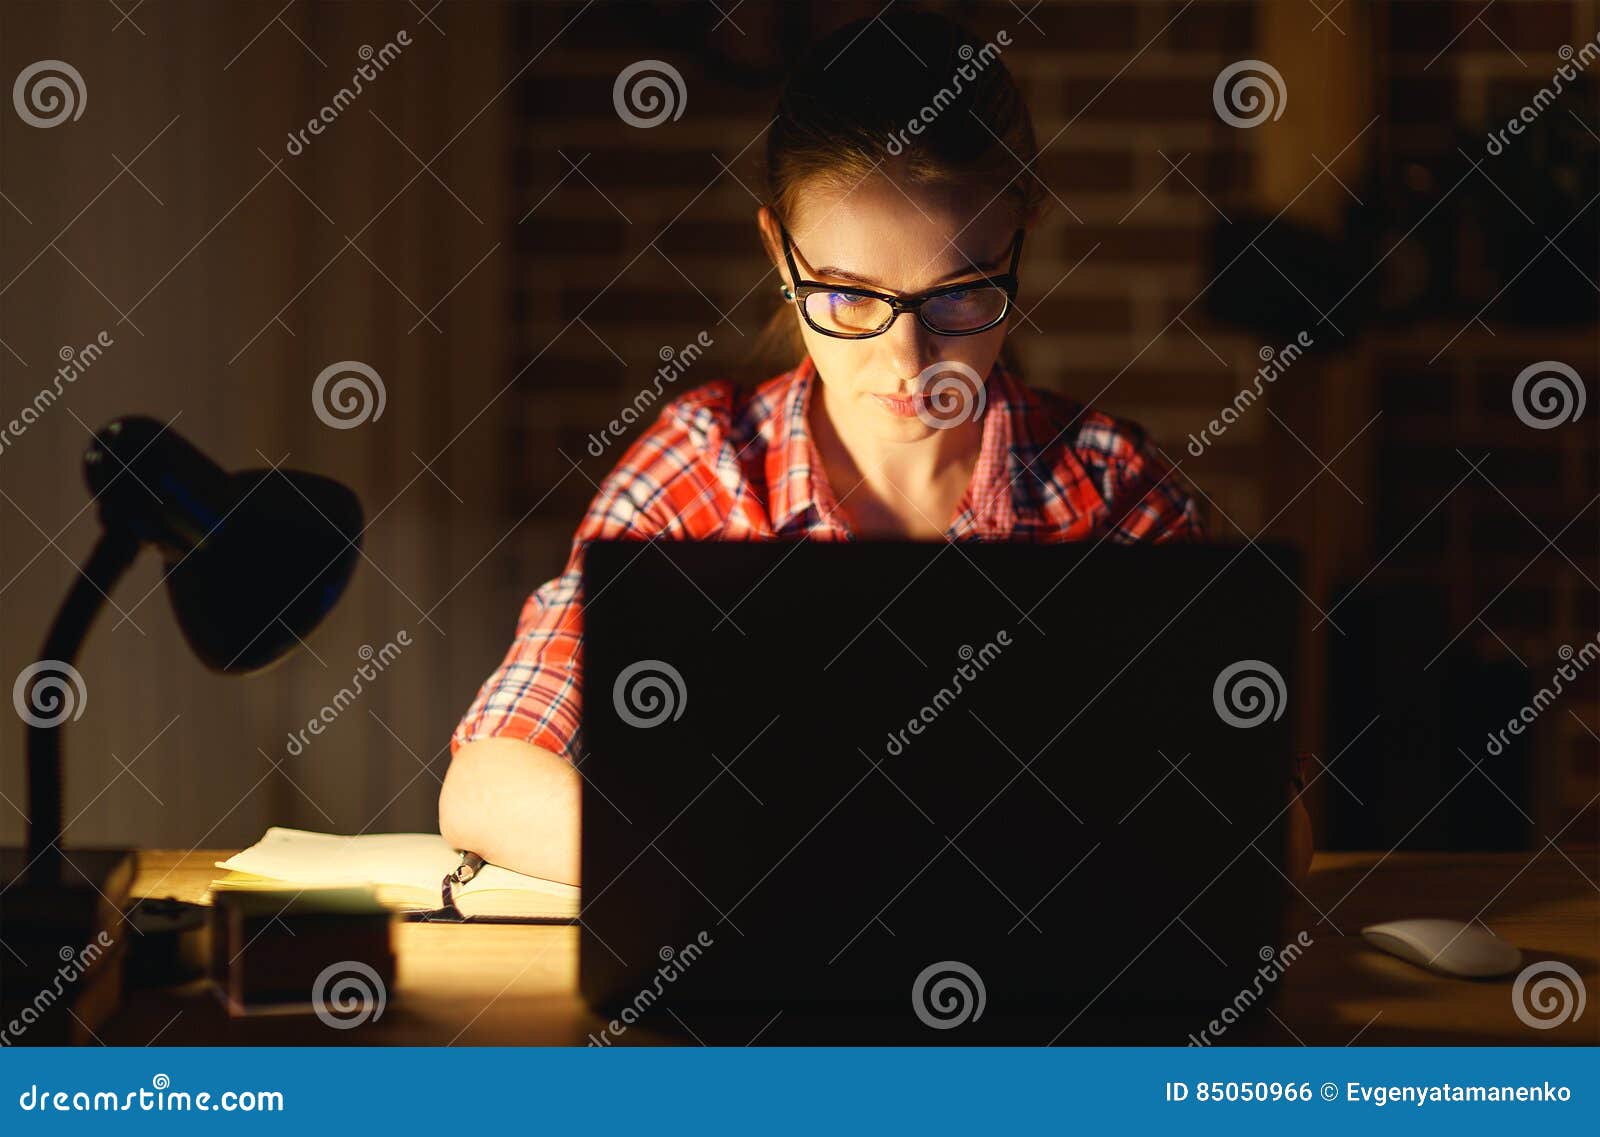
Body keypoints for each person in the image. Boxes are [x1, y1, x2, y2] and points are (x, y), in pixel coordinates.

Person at [440, 10, 1314, 885]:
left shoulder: (1113, 496)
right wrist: (778, 872)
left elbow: (1268, 826)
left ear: (1021, 238)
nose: (908, 361)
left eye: (959, 293)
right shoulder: (702, 473)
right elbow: (489, 781)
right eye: (848, 295)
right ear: (780, 254)